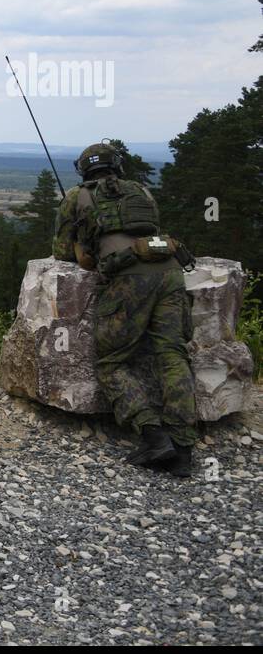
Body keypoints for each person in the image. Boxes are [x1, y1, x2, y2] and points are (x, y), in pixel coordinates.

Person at [52, 141, 197, 476]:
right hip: (171, 274)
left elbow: (61, 251)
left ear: (84, 168)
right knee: (173, 356)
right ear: (117, 166)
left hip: (128, 282)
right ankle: (183, 448)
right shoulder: (142, 193)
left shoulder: (77, 196)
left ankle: (152, 434)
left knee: (112, 362)